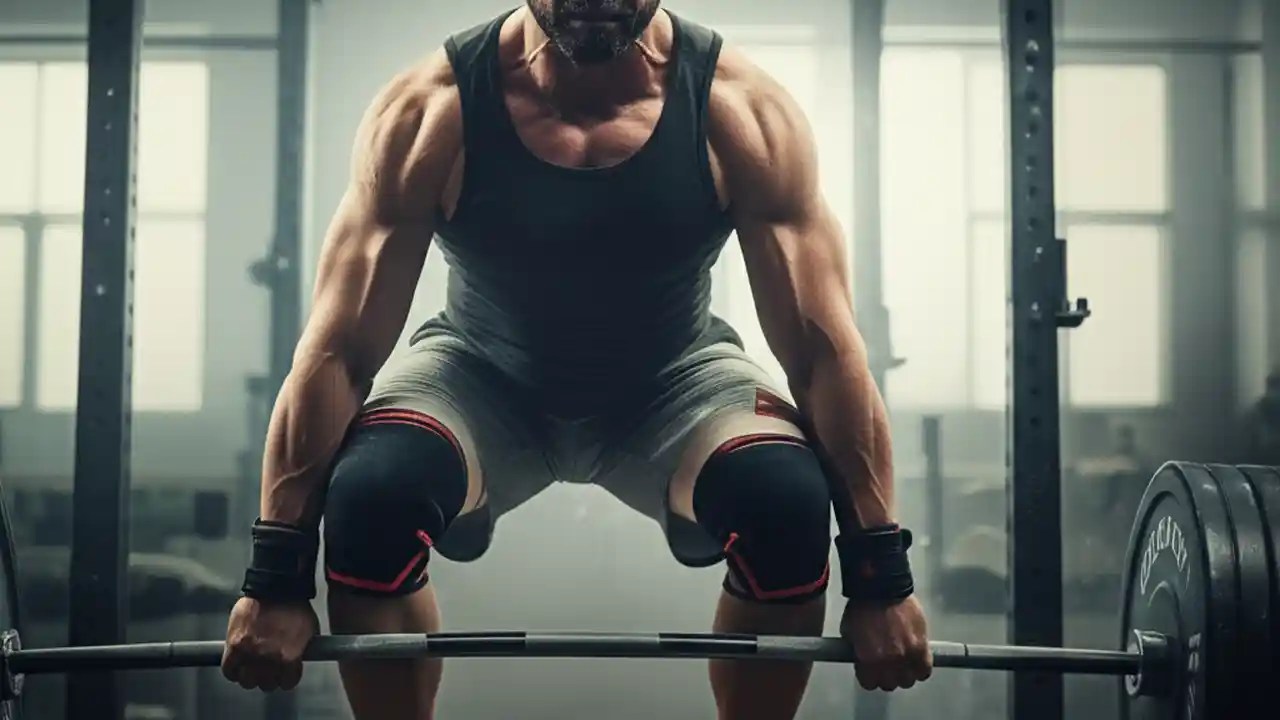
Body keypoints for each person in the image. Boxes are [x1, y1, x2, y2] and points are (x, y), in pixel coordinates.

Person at [220, 2, 932, 718]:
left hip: (676, 380)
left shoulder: (739, 109)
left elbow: (821, 353)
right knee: (373, 497)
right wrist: (276, 578)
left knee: (784, 502)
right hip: (478, 373)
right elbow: (340, 349)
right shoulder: (431, 110)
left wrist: (880, 578)